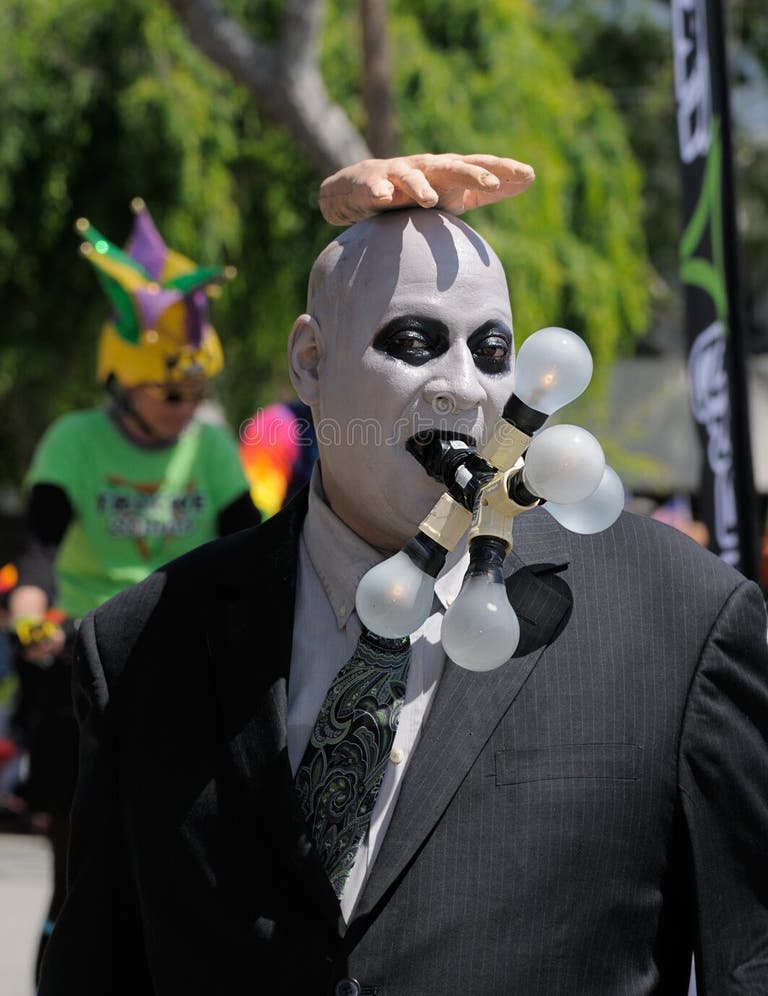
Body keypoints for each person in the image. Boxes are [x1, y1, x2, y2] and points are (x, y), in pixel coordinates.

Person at [38, 156, 768, 995]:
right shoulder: (139, 646)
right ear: (311, 362)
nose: (462, 387)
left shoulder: (678, 620)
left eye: (493, 351)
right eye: (413, 341)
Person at [9, 200, 261, 980]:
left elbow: (251, 545)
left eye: (195, 395)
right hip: (86, 651)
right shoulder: (75, 441)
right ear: (121, 380)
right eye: (171, 396)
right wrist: (29, 611)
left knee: (185, 858)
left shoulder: (211, 447)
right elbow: (38, 546)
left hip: (183, 656)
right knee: (81, 866)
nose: (187, 410)